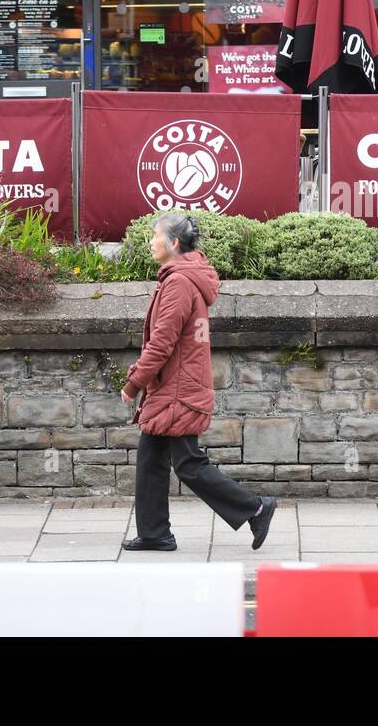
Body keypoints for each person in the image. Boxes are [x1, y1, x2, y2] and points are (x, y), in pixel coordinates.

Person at [120, 213, 277, 552]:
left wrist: (134, 382)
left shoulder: (178, 283)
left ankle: (256, 508)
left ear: (173, 243)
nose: (150, 241)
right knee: (151, 458)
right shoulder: (181, 278)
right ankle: (154, 533)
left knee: (188, 463)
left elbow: (162, 342)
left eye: (155, 235)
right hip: (175, 386)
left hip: (179, 389)